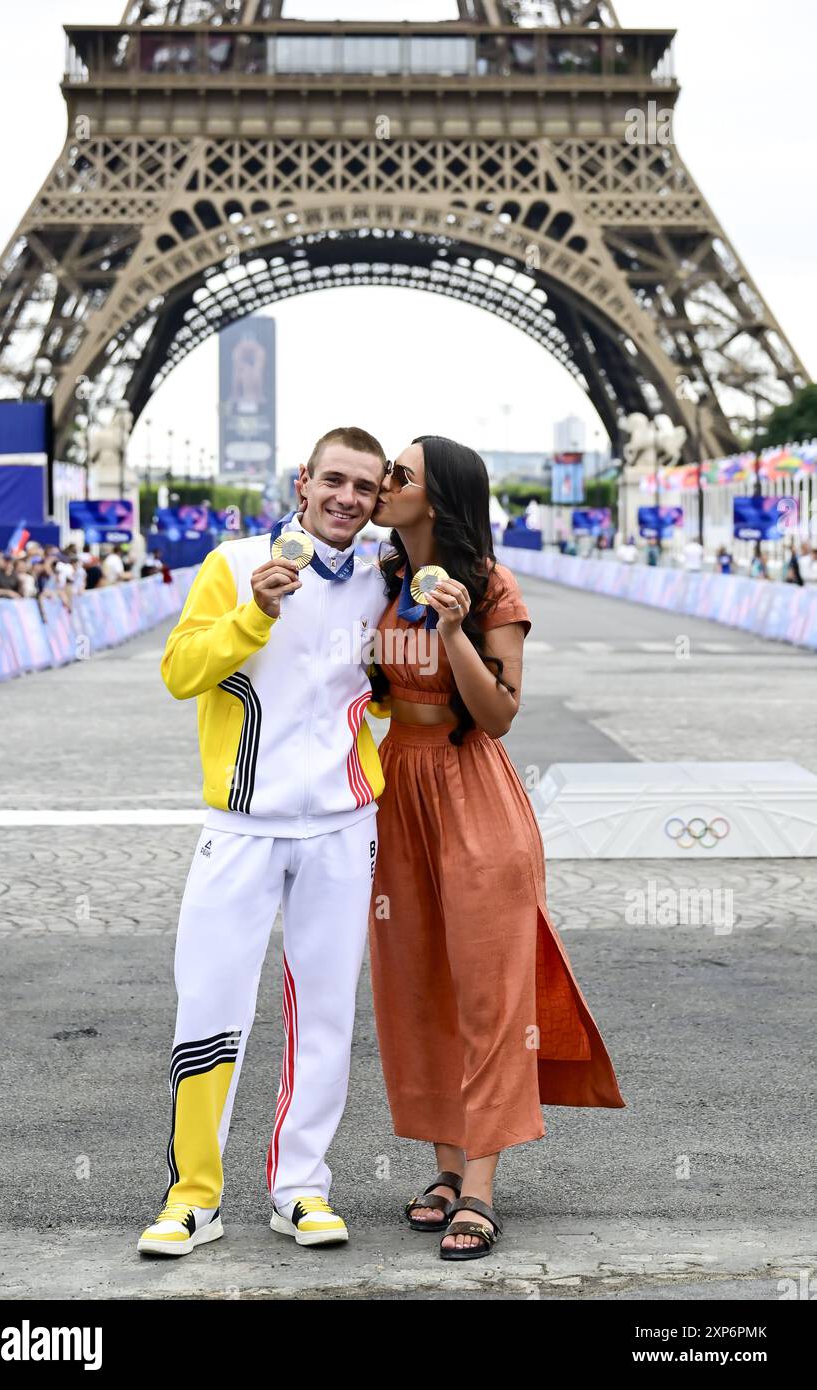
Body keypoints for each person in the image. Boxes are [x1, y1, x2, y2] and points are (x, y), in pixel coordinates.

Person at [367, 436, 626, 1261]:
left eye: (398, 475)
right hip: (392, 793)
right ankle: (443, 1166)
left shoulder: (490, 588)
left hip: (472, 785)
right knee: (415, 987)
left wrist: (452, 631)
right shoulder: (373, 581)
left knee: (486, 991)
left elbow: (503, 711)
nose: (383, 484)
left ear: (437, 499)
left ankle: (479, 1185)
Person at [137, 426, 391, 1258]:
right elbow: (180, 673)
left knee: (323, 1013)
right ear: (302, 481)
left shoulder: (386, 577)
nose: (347, 498)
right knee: (209, 1005)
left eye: (364, 486)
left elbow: (382, 696)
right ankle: (192, 1197)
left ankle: (301, 1188)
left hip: (342, 827)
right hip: (241, 826)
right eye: (334, 481)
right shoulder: (233, 561)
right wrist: (255, 612)